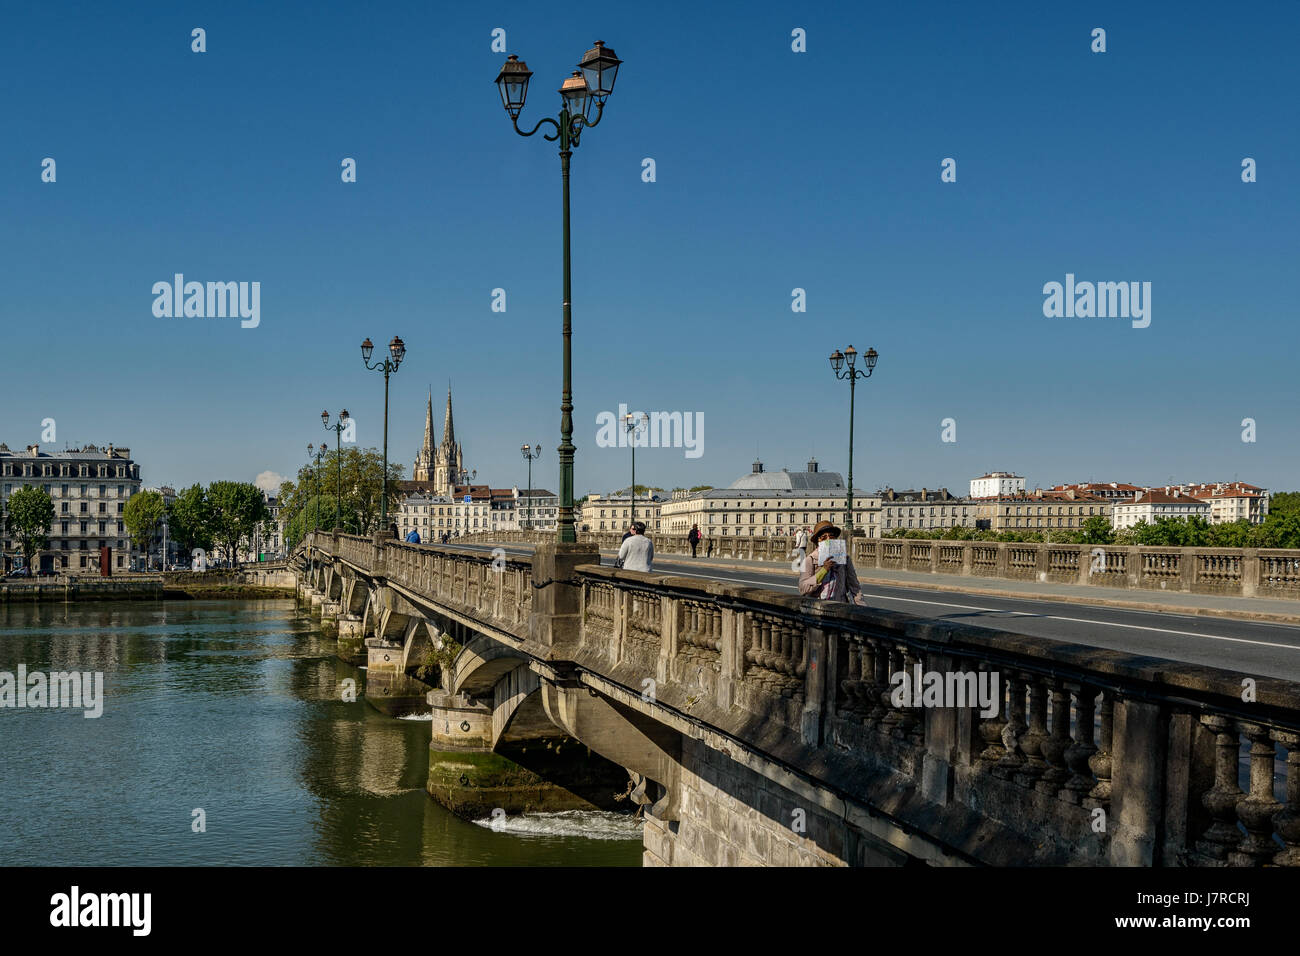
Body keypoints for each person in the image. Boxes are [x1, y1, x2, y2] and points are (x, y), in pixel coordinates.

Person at [797, 520, 863, 604]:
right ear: (818, 541)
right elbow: (803, 588)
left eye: (831, 536)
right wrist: (823, 570)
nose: (828, 540)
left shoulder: (845, 559)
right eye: (824, 537)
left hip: (840, 607)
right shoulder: (810, 560)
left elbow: (855, 587)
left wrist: (861, 608)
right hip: (818, 607)